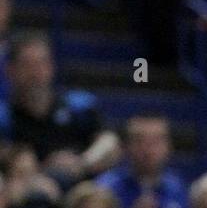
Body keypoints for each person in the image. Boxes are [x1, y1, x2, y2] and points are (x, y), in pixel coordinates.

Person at [0, 32, 120, 184]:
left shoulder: (78, 106)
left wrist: (82, 162)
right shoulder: (4, 117)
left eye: (41, 63)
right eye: (27, 65)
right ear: (10, 70)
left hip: (81, 190)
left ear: (51, 67)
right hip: (31, 191)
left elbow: (109, 143)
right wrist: (43, 171)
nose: (35, 73)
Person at [96, 114, 187, 208]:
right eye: (139, 141)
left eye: (156, 141)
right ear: (126, 147)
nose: (148, 149)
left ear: (168, 147)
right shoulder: (106, 187)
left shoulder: (176, 186)